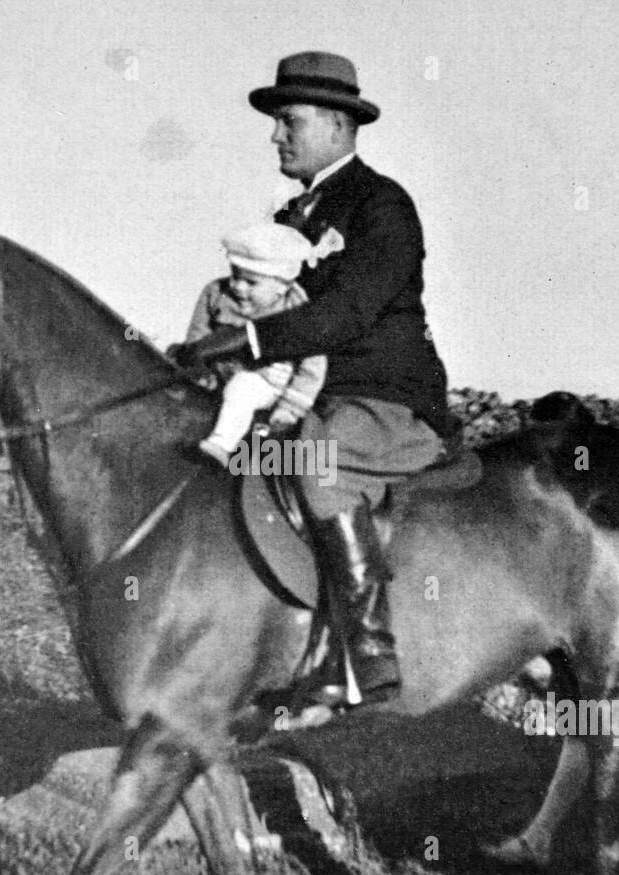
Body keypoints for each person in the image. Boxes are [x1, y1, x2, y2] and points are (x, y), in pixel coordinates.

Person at [176, 51, 458, 716]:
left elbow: (349, 312)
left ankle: (367, 652)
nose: (276, 135)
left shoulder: (383, 206)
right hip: (302, 390)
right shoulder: (292, 217)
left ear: (336, 124)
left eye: (289, 122)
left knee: (319, 466)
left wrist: (249, 341)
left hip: (380, 396)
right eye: (277, 123)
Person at [183, 223, 327, 465]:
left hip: (263, 380)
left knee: (241, 389)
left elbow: (313, 366)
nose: (238, 287)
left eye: (251, 283)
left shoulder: (298, 310)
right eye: (235, 276)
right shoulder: (216, 293)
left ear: (282, 286)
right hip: (218, 372)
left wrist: (290, 407)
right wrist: (199, 365)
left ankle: (221, 443)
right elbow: (198, 337)